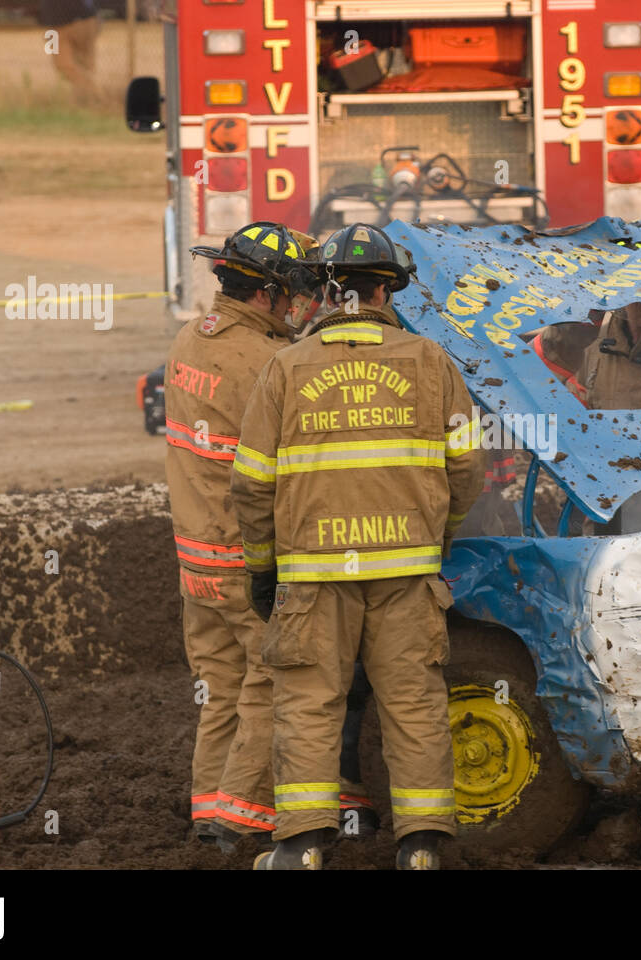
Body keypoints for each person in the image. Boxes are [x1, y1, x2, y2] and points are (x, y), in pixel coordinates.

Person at [231, 223, 486, 870]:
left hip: (314, 574)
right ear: (386, 290)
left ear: (327, 288)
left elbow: (252, 484)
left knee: (308, 699)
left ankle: (301, 849)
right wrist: (437, 536)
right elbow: (467, 472)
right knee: (413, 701)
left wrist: (264, 570)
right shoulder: (430, 362)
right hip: (407, 572)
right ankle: (423, 847)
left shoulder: (285, 368)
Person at [168, 222, 375, 854]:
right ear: (267, 294)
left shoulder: (191, 340)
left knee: (220, 688)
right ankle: (242, 821)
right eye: (296, 293)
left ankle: (209, 807)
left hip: (195, 561)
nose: (302, 304)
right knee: (274, 684)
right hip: (242, 558)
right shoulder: (267, 363)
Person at [40, 0, 100, 104]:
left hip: (61, 24)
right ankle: (84, 101)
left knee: (63, 65)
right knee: (83, 66)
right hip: (88, 19)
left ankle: (94, 92)